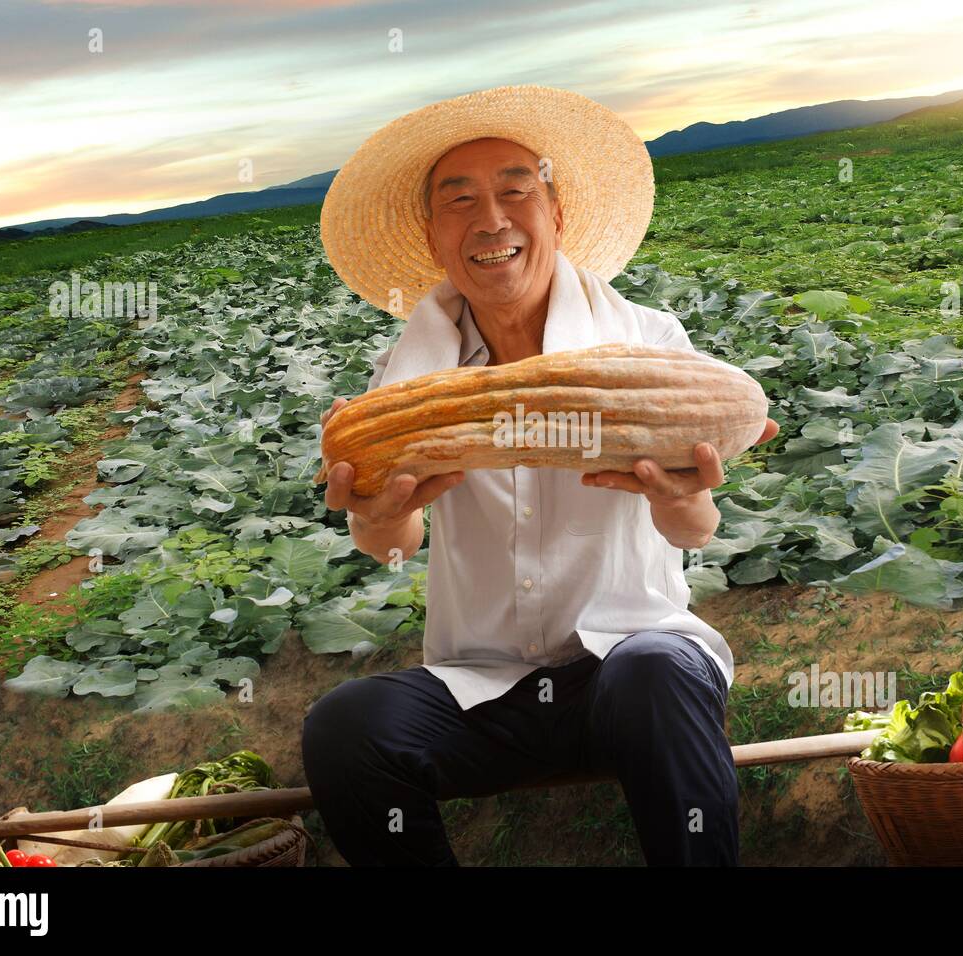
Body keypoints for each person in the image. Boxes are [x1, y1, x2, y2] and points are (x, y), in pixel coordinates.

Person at [302, 84, 780, 866]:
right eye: (459, 201)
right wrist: (381, 511)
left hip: (633, 666)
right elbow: (388, 545)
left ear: (556, 215)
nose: (490, 220)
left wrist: (682, 499)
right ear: (432, 236)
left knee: (656, 670)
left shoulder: (649, 345)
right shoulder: (406, 383)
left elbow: (695, 530)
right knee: (345, 728)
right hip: (485, 687)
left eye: (515, 192)